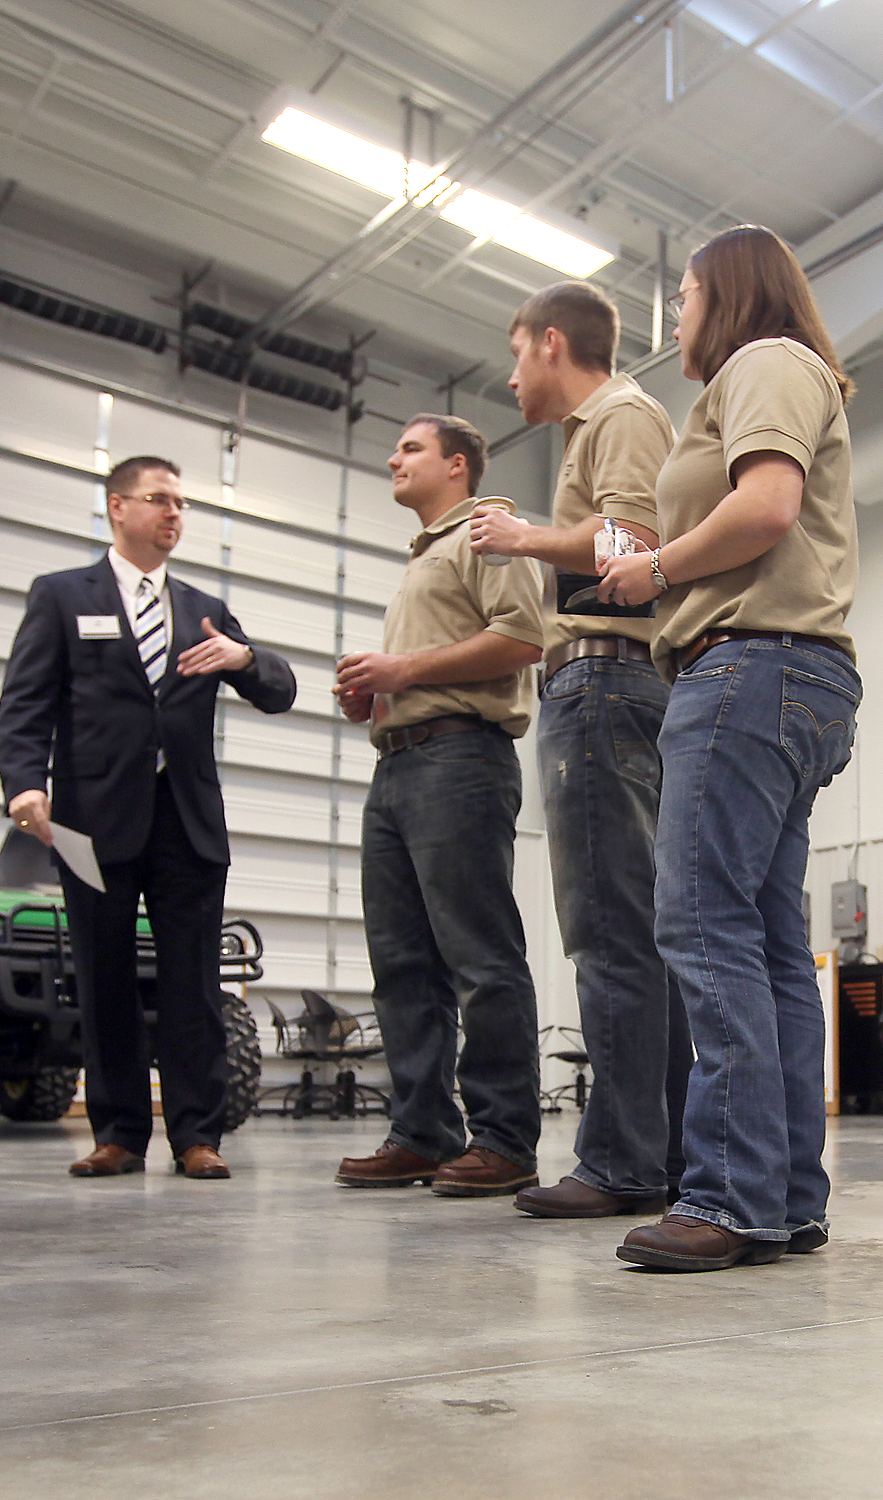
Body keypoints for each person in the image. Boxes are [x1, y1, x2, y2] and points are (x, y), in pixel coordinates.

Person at [591, 226, 861, 1271]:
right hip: (786, 675)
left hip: (750, 670)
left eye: (687, 292)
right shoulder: (776, 374)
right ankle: (785, 1196)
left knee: (702, 925)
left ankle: (731, 1197)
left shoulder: (765, 363)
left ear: (731, 294)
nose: (676, 315)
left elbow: (766, 506)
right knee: (764, 944)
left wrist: (655, 574)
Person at [0, 455, 298, 1181]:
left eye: (181, 504)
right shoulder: (63, 596)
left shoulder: (203, 608)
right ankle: (119, 1134)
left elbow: (280, 690)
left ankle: (199, 1135)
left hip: (186, 823)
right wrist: (23, 784)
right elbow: (26, 700)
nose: (174, 514)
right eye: (159, 500)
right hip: (91, 821)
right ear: (117, 508)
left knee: (193, 981)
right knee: (103, 977)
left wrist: (244, 656)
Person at [468, 282, 689, 1220]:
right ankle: (657, 1151)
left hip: (606, 678)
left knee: (611, 929)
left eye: (518, 352)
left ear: (553, 344)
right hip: (607, 681)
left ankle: (625, 1162)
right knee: (632, 929)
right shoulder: (596, 430)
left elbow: (630, 548)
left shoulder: (621, 416)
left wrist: (524, 539)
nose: (512, 374)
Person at [335, 415, 551, 1197]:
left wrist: (403, 668)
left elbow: (525, 637)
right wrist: (378, 694)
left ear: (457, 466)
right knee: (401, 964)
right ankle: (422, 1130)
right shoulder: (425, 555)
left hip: (459, 759)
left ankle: (504, 1139)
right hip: (398, 764)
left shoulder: (488, 534)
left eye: (412, 448)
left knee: (478, 957)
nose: (394, 457)